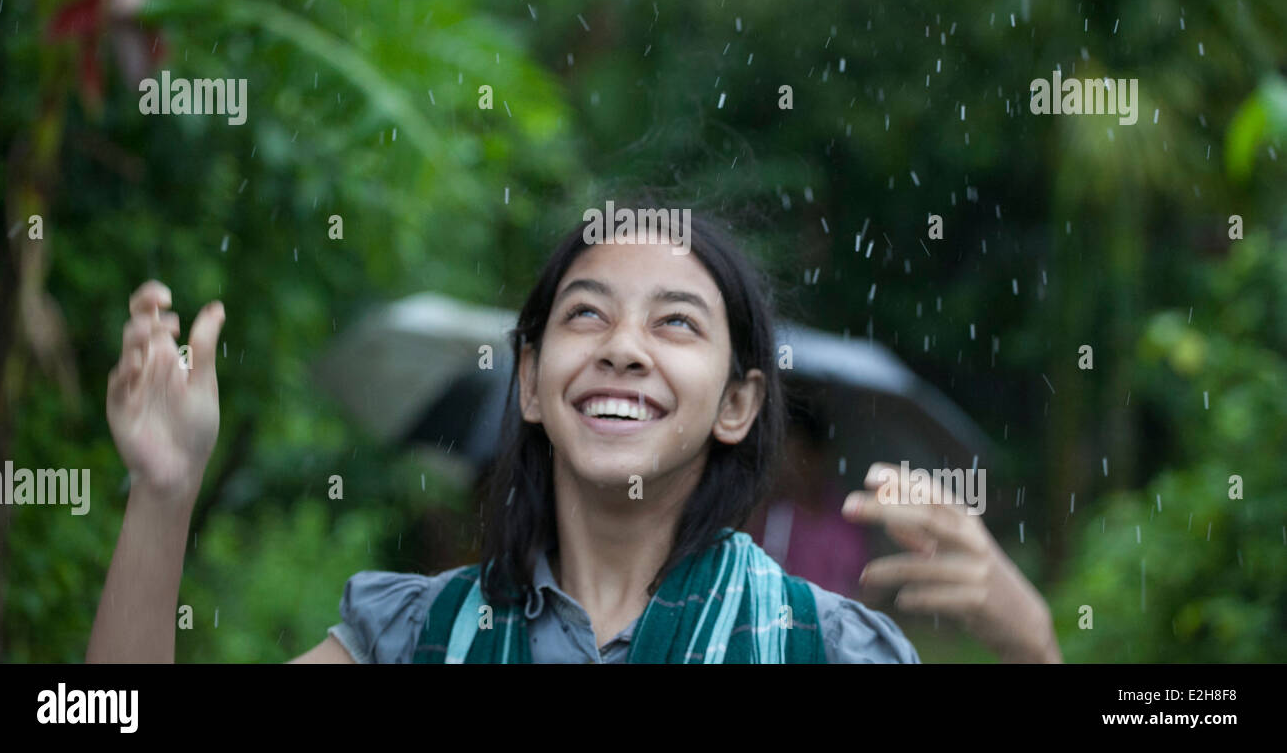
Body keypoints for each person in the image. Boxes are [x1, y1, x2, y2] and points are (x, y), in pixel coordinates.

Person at [87, 206, 1061, 663]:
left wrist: (1034, 648)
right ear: (529, 381)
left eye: (676, 322)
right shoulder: (411, 637)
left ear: (736, 403)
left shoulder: (827, 644)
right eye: (586, 314)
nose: (623, 348)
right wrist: (165, 492)